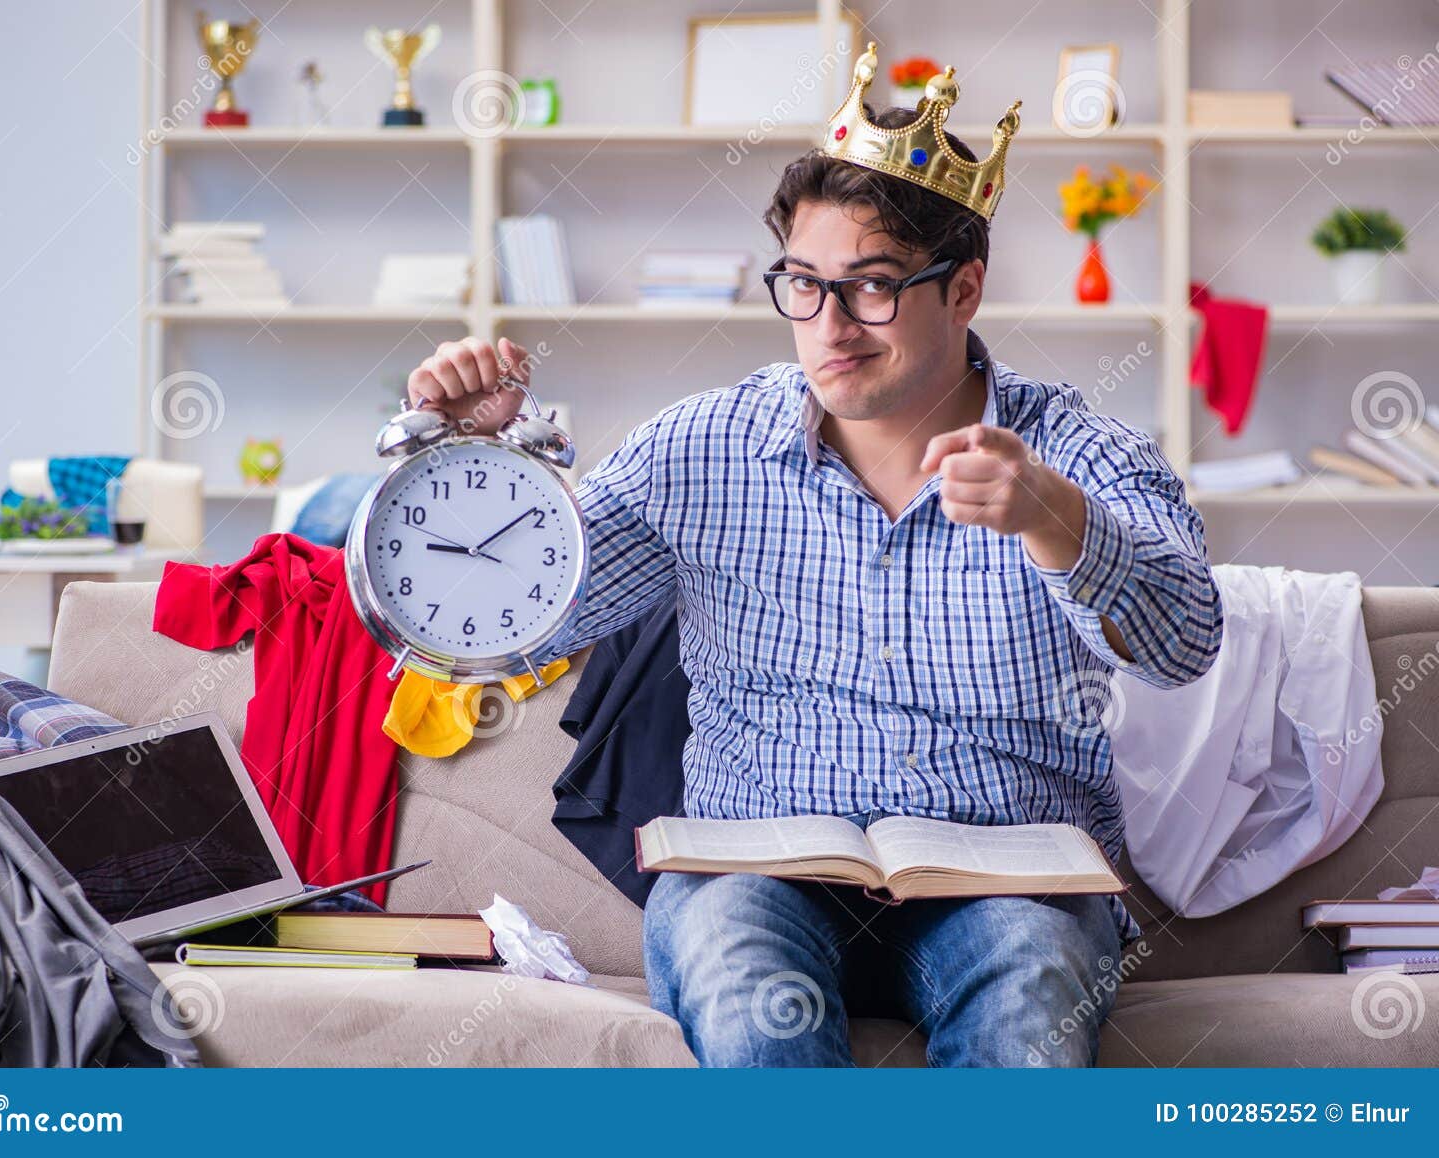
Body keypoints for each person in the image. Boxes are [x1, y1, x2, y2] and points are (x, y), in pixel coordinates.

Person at [404, 47, 1223, 1067]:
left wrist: (1056, 519)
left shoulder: (1079, 455)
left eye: (872, 287)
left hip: (1009, 884)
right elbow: (497, 632)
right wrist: (470, 462)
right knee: (742, 976)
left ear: (963, 290)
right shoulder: (698, 447)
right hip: (752, 876)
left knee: (1029, 980)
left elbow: (1186, 647)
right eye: (802, 284)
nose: (830, 327)